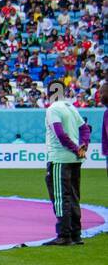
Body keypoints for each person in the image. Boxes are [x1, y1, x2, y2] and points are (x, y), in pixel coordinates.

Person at [43, 96, 89, 246]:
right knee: (74, 196)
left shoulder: (53, 109)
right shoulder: (71, 107)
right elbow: (84, 128)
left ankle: (64, 235)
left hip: (60, 159)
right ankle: (76, 234)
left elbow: (60, 134)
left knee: (60, 197)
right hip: (75, 159)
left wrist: (76, 148)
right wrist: (83, 146)